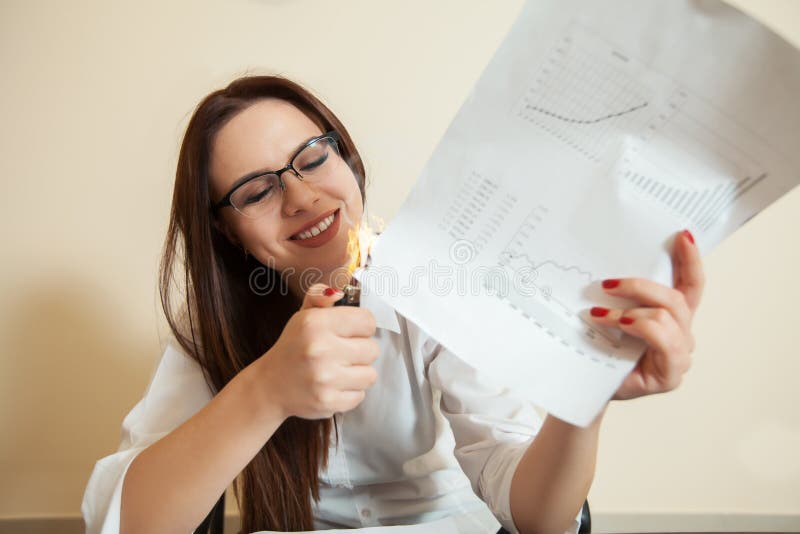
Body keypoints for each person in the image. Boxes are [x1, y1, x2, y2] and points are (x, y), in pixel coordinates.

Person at [81, 75, 705, 534]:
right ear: (226, 231)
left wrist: (582, 394)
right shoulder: (212, 325)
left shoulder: (431, 285)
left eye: (311, 158)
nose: (300, 197)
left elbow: (537, 516)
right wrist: (266, 388)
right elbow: (128, 521)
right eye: (255, 190)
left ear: (345, 157)